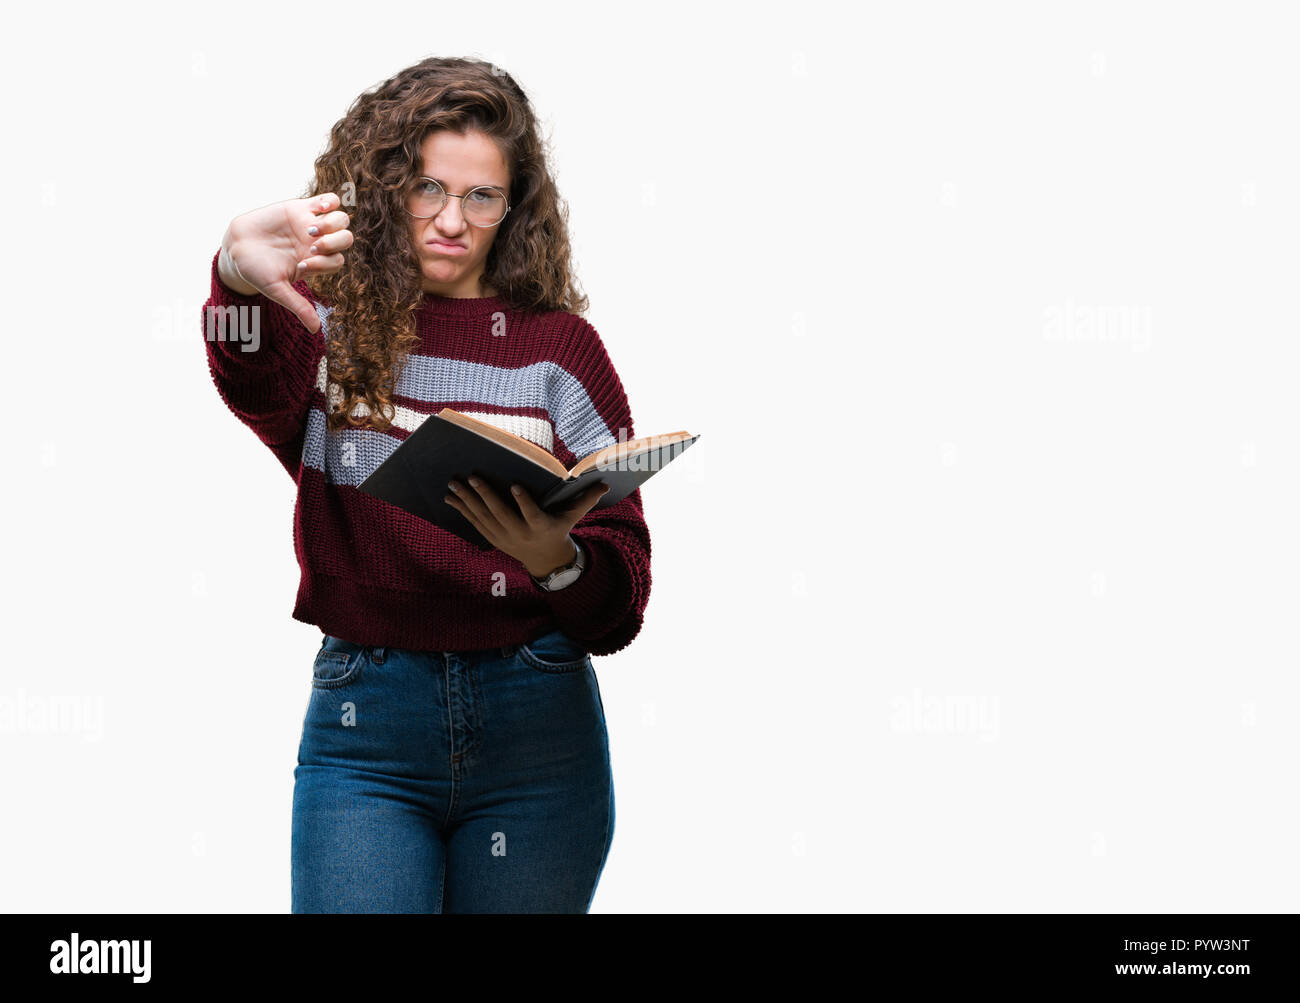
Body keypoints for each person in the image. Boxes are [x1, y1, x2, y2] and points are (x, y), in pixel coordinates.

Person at [199, 56, 651, 913]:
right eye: (427, 189)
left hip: (539, 729)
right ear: (385, 186)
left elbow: (621, 600)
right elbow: (252, 381)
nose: (452, 220)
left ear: (513, 208)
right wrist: (231, 276)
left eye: (481, 197)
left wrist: (557, 562)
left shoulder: (562, 351)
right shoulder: (329, 318)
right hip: (367, 723)